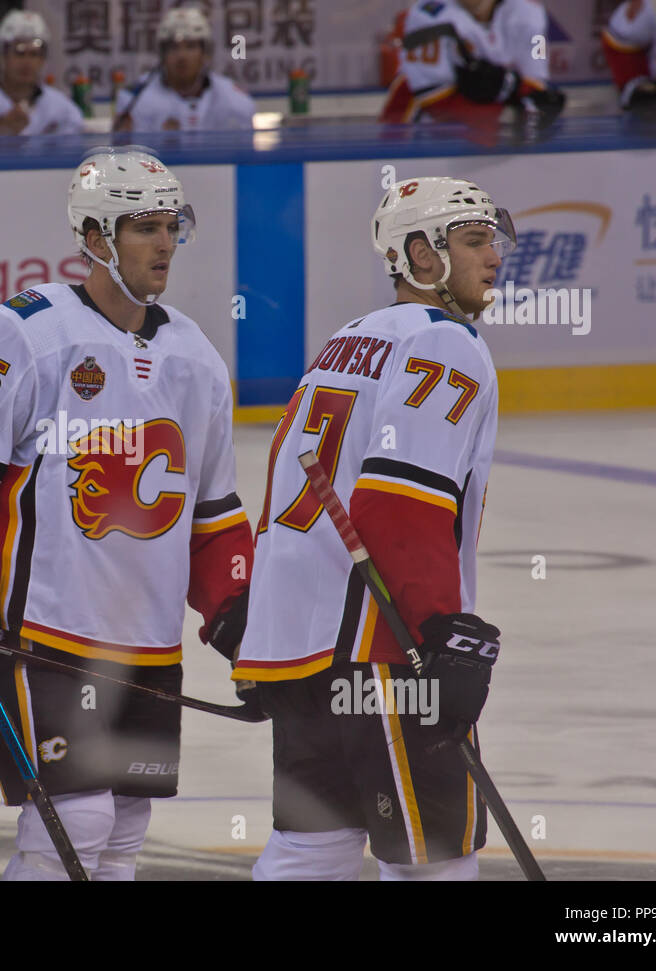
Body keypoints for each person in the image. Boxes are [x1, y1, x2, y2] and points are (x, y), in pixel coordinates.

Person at [0, 146, 255, 880]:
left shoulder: (196, 356)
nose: (165, 243)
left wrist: (236, 612)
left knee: (125, 826)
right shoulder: (28, 330)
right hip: (43, 627)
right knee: (78, 817)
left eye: (172, 225)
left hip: (149, 635)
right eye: (144, 227)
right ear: (97, 238)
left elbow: (214, 510)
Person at [235, 176, 512, 880]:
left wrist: (261, 633)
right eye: (475, 241)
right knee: (434, 860)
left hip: (300, 652)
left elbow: (284, 495)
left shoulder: (346, 341)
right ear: (421, 255)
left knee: (309, 852)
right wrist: (439, 632)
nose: (495, 257)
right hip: (384, 653)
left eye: (494, 241)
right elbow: (401, 503)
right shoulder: (449, 344)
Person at [380, 0, 565, 134]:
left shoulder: (529, 14)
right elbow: (433, 99)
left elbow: (536, 84)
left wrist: (532, 104)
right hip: (417, 131)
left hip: (490, 134)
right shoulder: (428, 13)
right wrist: (504, 116)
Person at [114, 6, 254, 132]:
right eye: (173, 47)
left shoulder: (234, 99)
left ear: (205, 52)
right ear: (162, 54)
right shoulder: (133, 100)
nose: (182, 56)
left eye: (191, 46)